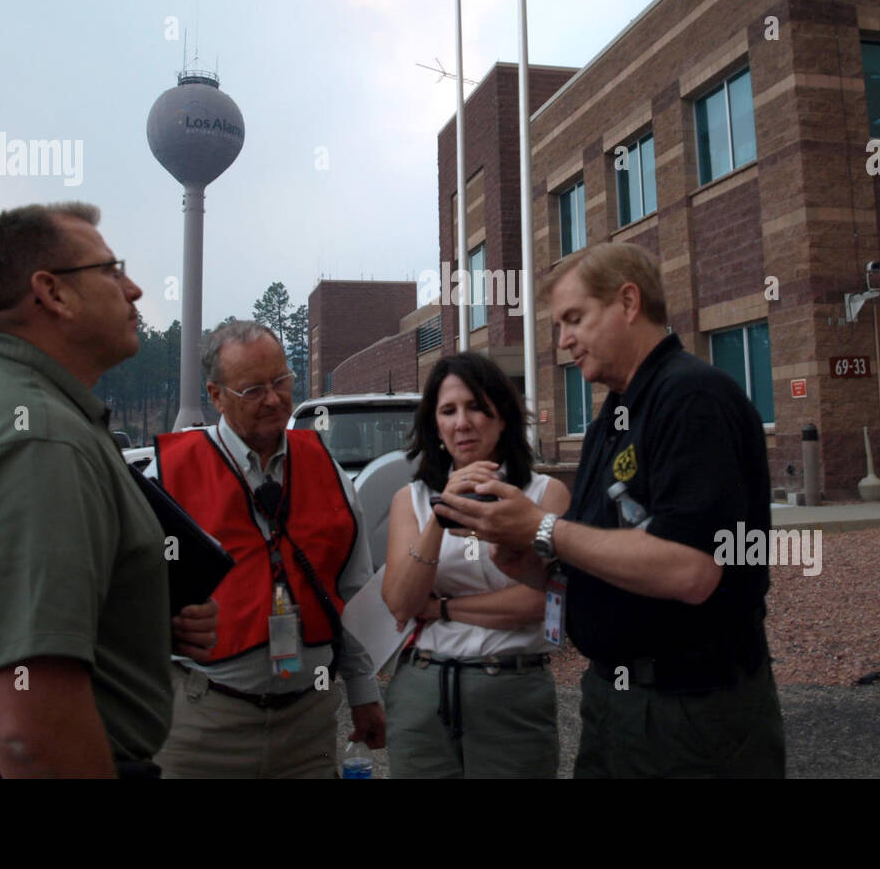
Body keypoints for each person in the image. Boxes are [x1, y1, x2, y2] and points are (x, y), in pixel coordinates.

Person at [0, 202, 217, 779]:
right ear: (52, 294)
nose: (133, 289)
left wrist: (137, 624)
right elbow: (30, 731)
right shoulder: (33, 436)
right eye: (111, 270)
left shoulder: (0, 408)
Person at [441, 243, 784, 778]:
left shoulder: (692, 398)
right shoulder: (614, 416)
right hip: (615, 698)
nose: (563, 342)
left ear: (628, 302)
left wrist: (543, 528)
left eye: (574, 319)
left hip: (689, 709)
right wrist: (523, 556)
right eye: (558, 326)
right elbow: (598, 550)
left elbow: (691, 569)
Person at [150, 321, 385, 778]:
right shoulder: (169, 475)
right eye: (254, 390)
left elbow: (353, 589)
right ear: (216, 396)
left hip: (309, 726)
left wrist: (363, 692)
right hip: (203, 726)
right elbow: (120, 595)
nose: (274, 399)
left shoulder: (325, 464)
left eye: (281, 381)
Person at [380, 353, 570, 778]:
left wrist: (442, 608)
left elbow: (539, 602)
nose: (462, 423)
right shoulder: (409, 500)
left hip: (511, 690)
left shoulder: (545, 495)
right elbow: (400, 603)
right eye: (448, 411)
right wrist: (440, 514)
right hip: (423, 691)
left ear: (502, 416)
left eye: (476, 407)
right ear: (436, 426)